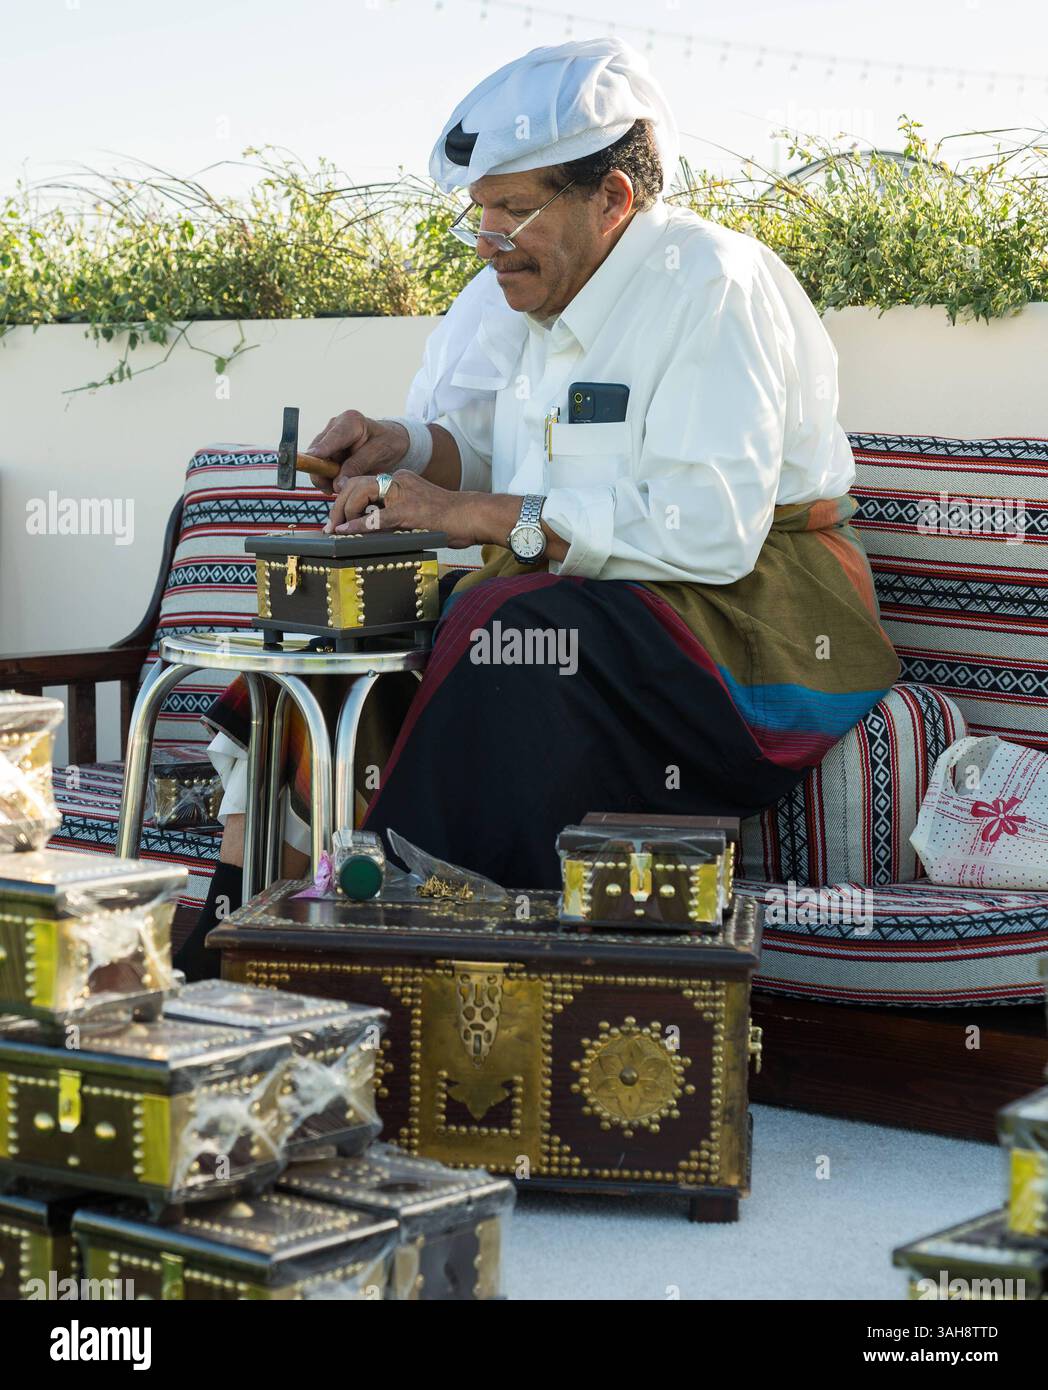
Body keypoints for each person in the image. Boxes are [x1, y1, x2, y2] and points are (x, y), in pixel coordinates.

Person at [176, 36, 899, 978]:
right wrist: (407, 447)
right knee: (345, 629)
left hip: (762, 626)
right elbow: (490, 451)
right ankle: (243, 930)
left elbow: (711, 529)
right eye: (479, 214)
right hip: (598, 596)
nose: (488, 242)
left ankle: (410, 950)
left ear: (614, 200)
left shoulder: (713, 283)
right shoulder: (533, 290)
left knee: (503, 624)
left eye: (514, 212)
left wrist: (470, 518)